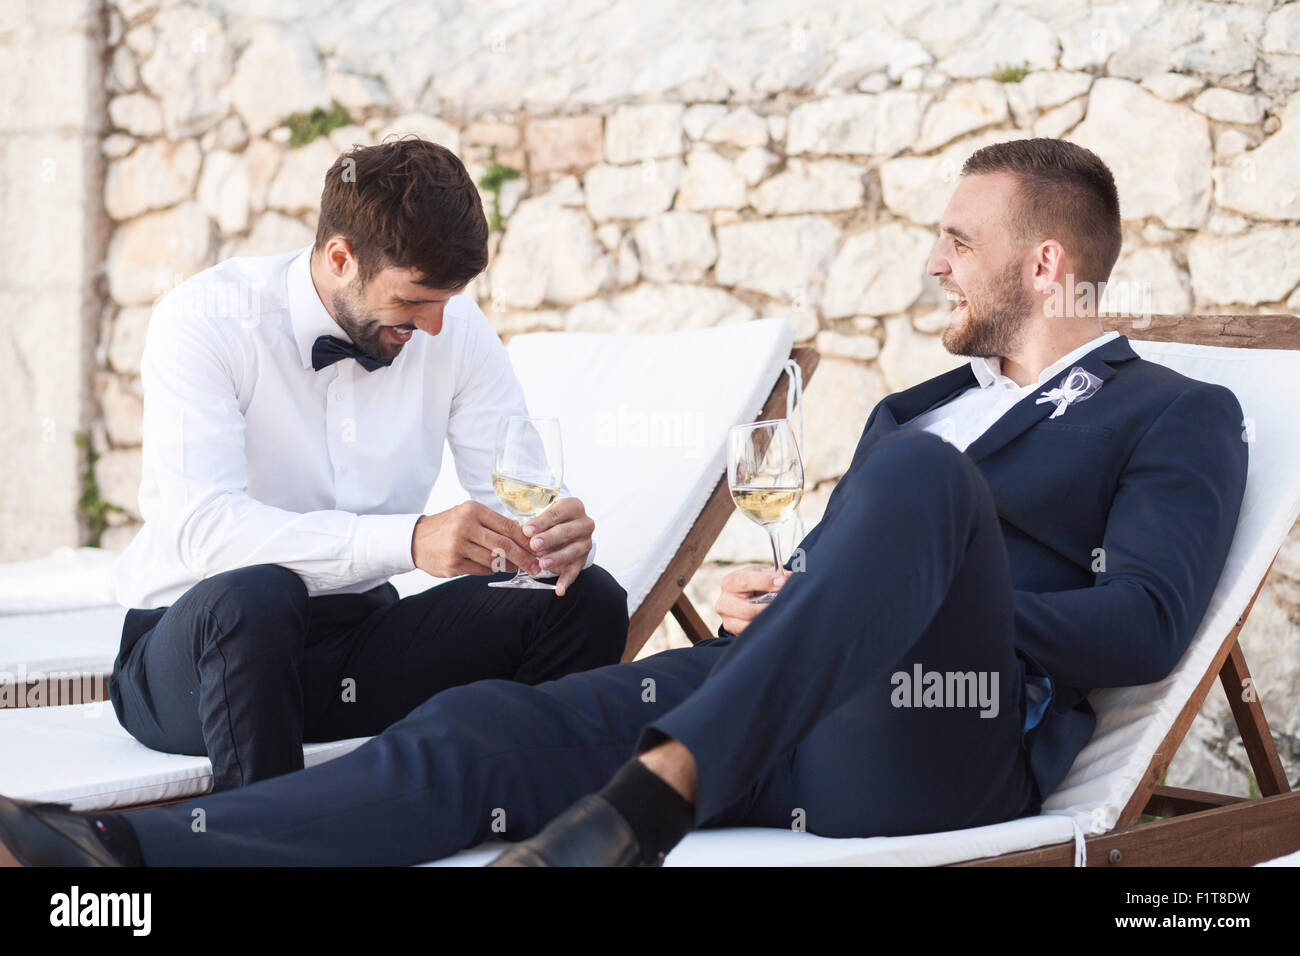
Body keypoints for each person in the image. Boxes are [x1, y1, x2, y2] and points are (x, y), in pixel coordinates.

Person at [0, 138, 1247, 867]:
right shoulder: (909, 408)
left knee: (925, 487)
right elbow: (829, 576)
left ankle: (663, 790)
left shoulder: (1171, 411)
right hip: (773, 707)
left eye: (956, 240)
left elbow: (1140, 622)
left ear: (1046, 263)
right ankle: (113, 862)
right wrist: (796, 590)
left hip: (936, 731)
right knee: (484, 727)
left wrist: (891, 617)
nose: (930, 259)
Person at [100, 138, 628, 792]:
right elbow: (205, 531)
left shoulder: (454, 330)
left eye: (446, 301)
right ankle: (264, 844)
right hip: (201, 657)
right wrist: (409, 540)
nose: (434, 326)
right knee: (257, 593)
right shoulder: (206, 320)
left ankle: (516, 822)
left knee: (584, 601)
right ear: (341, 258)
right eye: (414, 301)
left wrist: (557, 535)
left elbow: (524, 487)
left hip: (357, 645)